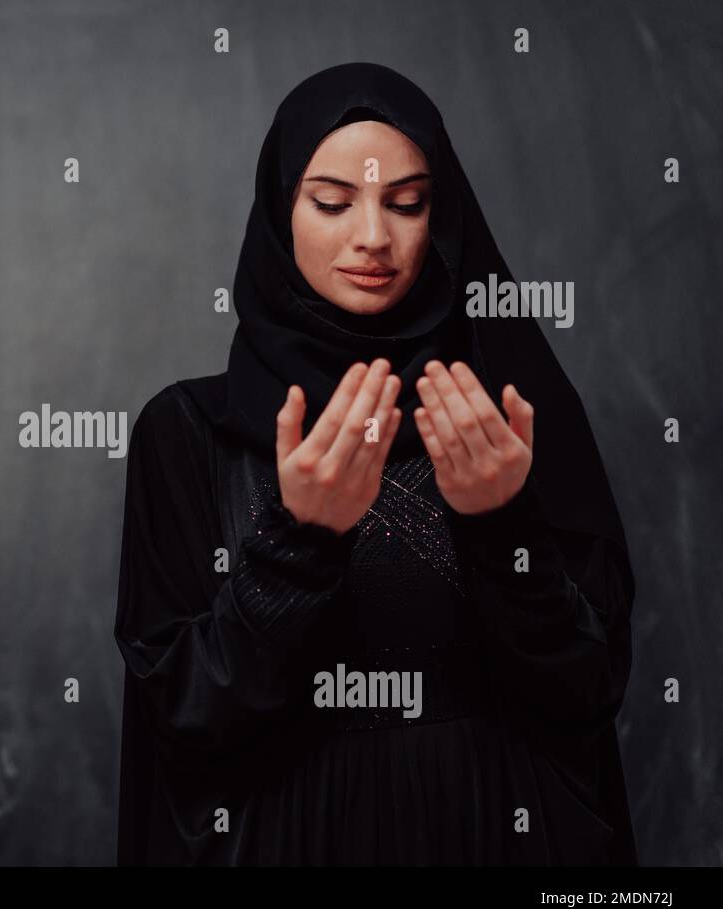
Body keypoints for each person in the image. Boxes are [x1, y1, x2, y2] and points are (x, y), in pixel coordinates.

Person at [112, 62, 637, 865]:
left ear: (443, 217)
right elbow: (184, 716)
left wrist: (501, 526)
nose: (373, 238)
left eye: (407, 203)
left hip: (494, 826)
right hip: (286, 838)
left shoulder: (501, 417)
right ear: (279, 212)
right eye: (331, 201)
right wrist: (300, 540)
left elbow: (586, 696)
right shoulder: (188, 431)